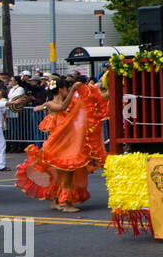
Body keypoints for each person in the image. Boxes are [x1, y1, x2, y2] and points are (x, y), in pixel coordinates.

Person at [16, 77, 108, 213]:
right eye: (67, 89)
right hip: (59, 144)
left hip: (64, 143)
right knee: (65, 174)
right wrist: (74, 90)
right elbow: (62, 107)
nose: (69, 91)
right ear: (60, 89)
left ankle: (56, 201)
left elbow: (87, 102)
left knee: (60, 175)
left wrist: (106, 93)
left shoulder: (71, 104)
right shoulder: (51, 104)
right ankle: (66, 203)